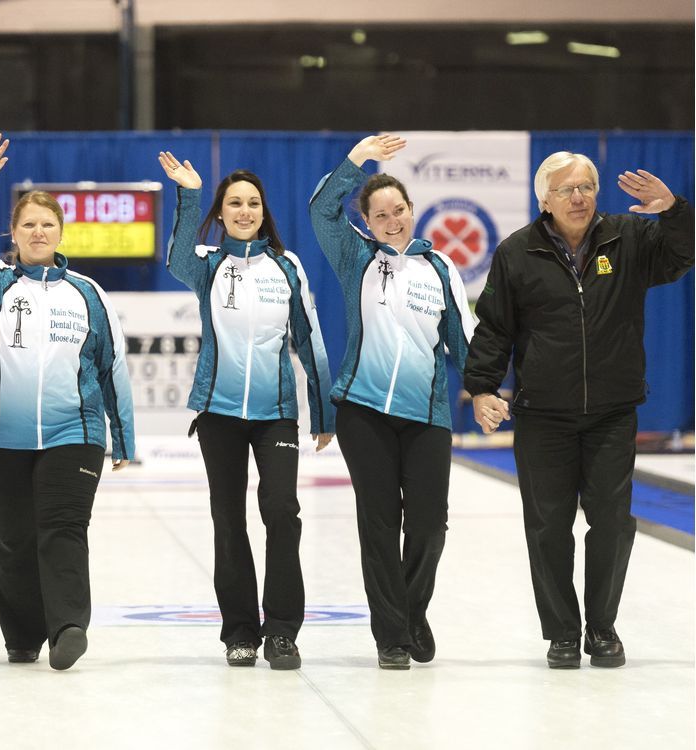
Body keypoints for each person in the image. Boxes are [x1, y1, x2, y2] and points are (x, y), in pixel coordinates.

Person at [464, 151, 694, 669]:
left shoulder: (627, 239)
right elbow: (495, 326)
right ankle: (563, 632)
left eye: (587, 187)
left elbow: (684, 254)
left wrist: (675, 210)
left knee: (613, 523)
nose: (579, 197)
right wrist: (481, 388)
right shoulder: (516, 252)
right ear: (543, 197)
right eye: (567, 189)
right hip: (543, 414)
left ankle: (603, 627)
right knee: (548, 527)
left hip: (612, 412)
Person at [0, 134, 135, 671]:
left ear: (61, 233)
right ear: (13, 232)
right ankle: (23, 635)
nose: (37, 231)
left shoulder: (87, 293)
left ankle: (69, 627)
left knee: (63, 529)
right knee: (13, 541)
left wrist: (123, 435)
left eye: (47, 224)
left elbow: (110, 366)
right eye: (28, 224)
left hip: (72, 433)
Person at [158, 150, 335, 670]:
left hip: (276, 412)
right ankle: (239, 632)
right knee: (228, 520)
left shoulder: (287, 266)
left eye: (252, 203)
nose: (244, 210)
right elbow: (175, 258)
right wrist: (189, 195)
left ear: (263, 211)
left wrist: (323, 411)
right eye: (233, 202)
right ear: (222, 211)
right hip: (217, 414)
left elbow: (310, 339)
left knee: (282, 511)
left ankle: (282, 631)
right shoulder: (208, 265)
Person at [309, 134, 476, 670]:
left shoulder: (440, 266)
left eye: (398, 210)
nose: (392, 220)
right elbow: (320, 210)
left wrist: (484, 389)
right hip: (362, 411)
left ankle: (410, 609)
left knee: (429, 524)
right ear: (368, 221)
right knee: (379, 522)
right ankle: (391, 636)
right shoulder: (355, 256)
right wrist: (359, 158)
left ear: (411, 210)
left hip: (427, 413)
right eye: (380, 214)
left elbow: (462, 338)